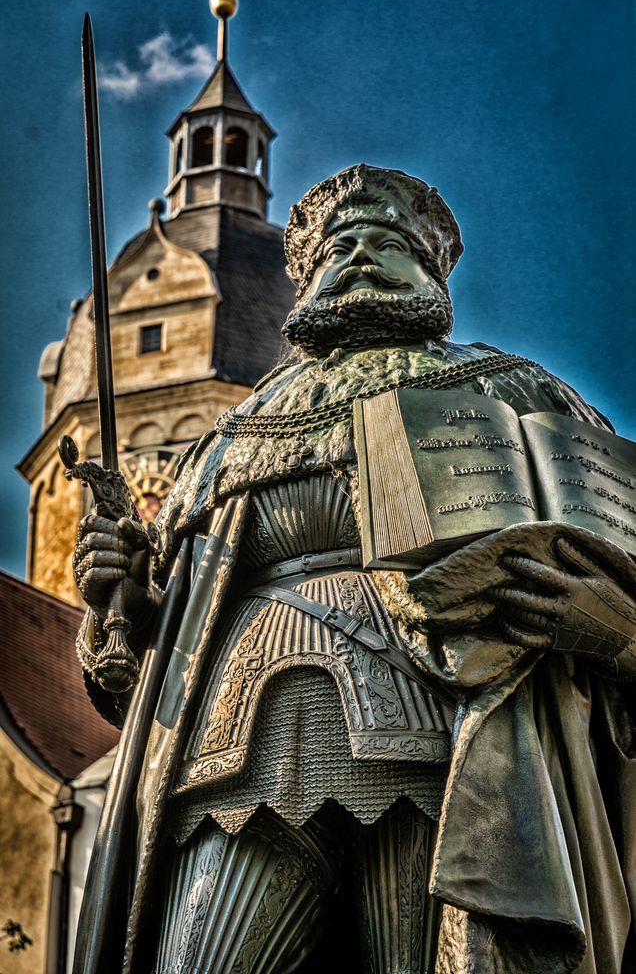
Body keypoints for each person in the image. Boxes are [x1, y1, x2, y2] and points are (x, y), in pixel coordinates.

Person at [72, 165, 636, 974]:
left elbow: (620, 555)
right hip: (232, 755)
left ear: (433, 273)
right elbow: (144, 668)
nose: (363, 255)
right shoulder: (228, 435)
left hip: (449, 744)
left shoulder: (515, 389)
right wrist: (116, 602)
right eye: (340, 245)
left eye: (389, 243)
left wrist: (614, 627)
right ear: (306, 279)